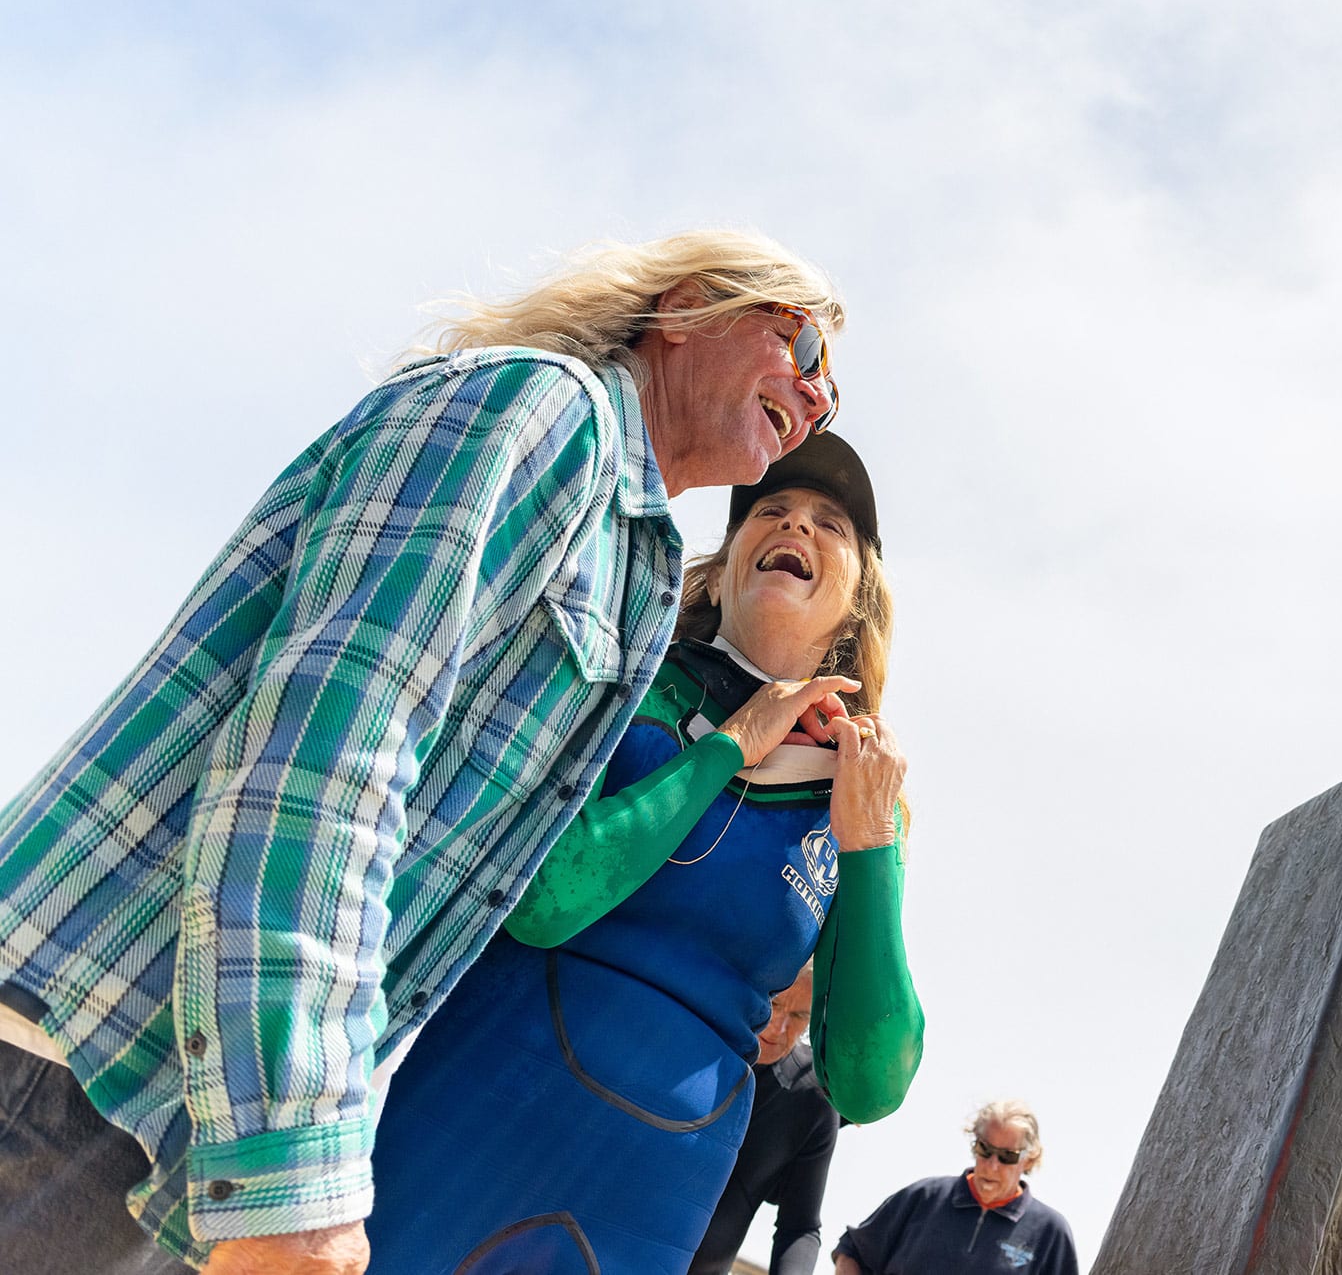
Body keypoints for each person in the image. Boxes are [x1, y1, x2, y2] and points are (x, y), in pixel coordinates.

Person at [0, 230, 847, 1275]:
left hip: (175, 1112)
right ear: (688, 308)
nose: (813, 400)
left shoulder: (634, 557)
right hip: (76, 1060)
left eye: (832, 396)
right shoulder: (544, 415)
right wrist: (292, 1154)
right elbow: (326, 761)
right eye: (803, 352)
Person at [362, 432, 922, 1275]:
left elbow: (868, 1080)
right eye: (769, 510)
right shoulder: (634, 671)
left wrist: (872, 844)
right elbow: (547, 898)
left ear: (857, 600)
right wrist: (729, 745)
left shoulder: (858, 793)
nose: (793, 525)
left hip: (652, 1201)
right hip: (470, 1116)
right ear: (727, 563)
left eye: (827, 524)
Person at [685, 967, 843, 1275]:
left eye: (799, 1016)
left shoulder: (811, 1098)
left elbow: (799, 1228)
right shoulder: (696, 1035)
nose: (778, 1029)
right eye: (775, 1005)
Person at [834, 1101, 1078, 1275]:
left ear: (1029, 1159)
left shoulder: (1050, 1232)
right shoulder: (923, 1197)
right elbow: (851, 1251)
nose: (992, 1165)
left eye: (1007, 1156)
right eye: (986, 1150)